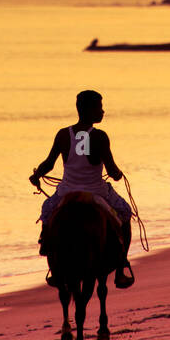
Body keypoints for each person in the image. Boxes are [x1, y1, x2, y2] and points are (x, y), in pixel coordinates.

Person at [29, 90, 134, 289]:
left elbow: (49, 164)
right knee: (125, 213)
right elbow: (111, 170)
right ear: (87, 110)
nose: (103, 111)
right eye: (99, 107)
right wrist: (118, 173)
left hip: (66, 192)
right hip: (96, 192)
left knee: (47, 212)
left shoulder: (63, 134)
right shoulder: (100, 137)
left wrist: (36, 175)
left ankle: (48, 249)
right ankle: (121, 267)